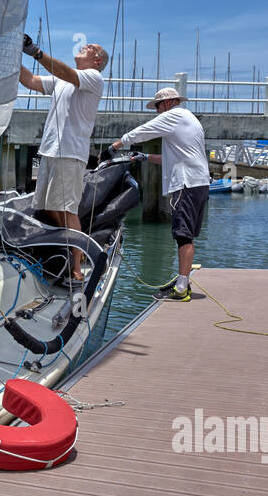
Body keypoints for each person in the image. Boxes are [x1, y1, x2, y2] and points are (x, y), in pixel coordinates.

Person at [17, 33, 107, 283]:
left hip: (70, 152)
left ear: (97, 61)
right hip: (50, 150)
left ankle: (76, 267)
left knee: (67, 209)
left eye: (91, 47)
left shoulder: (93, 78)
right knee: (47, 206)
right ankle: (64, 247)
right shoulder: (61, 81)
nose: (85, 46)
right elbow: (31, 80)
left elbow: (69, 73)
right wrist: (12, 55)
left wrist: (35, 52)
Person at [112, 87, 209, 301]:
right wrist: (145, 157)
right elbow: (169, 159)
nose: (156, 111)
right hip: (197, 182)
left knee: (183, 235)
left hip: (186, 183)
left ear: (167, 103)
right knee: (185, 234)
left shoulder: (175, 115)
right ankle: (183, 280)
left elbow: (146, 130)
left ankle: (182, 288)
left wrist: (121, 142)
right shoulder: (188, 120)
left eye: (157, 106)